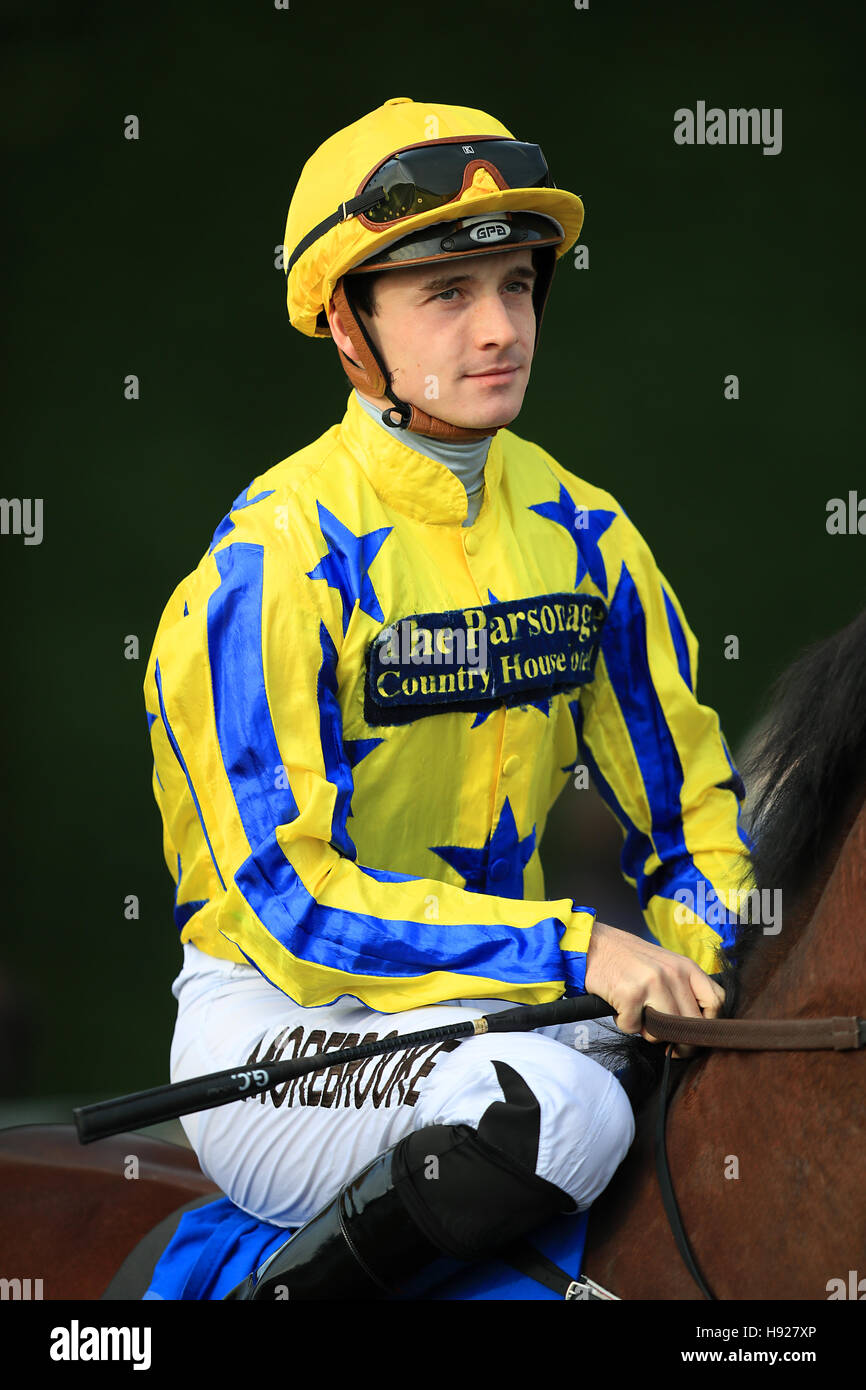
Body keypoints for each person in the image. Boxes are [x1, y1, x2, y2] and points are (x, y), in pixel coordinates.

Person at [143, 97, 752, 1300]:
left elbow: (695, 821)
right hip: (280, 1024)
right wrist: (577, 947)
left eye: (515, 286)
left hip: (511, 1002)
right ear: (345, 324)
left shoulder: (586, 533)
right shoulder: (265, 565)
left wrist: (694, 976)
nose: (498, 328)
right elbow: (292, 903)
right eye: (445, 294)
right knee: (565, 1109)